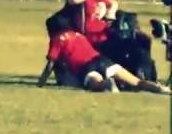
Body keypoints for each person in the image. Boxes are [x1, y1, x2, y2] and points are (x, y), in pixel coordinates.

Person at [62, 0, 156, 83]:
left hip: (107, 34)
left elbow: (113, 2)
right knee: (131, 45)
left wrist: (110, 13)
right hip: (94, 39)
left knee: (142, 40)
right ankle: (139, 77)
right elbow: (73, 0)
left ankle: (146, 74)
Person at [37, 12, 169, 94]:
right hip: (101, 59)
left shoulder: (57, 39)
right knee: (138, 83)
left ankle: (106, 84)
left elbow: (50, 64)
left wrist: (41, 83)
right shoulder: (78, 35)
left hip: (86, 67)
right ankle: (160, 88)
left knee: (95, 84)